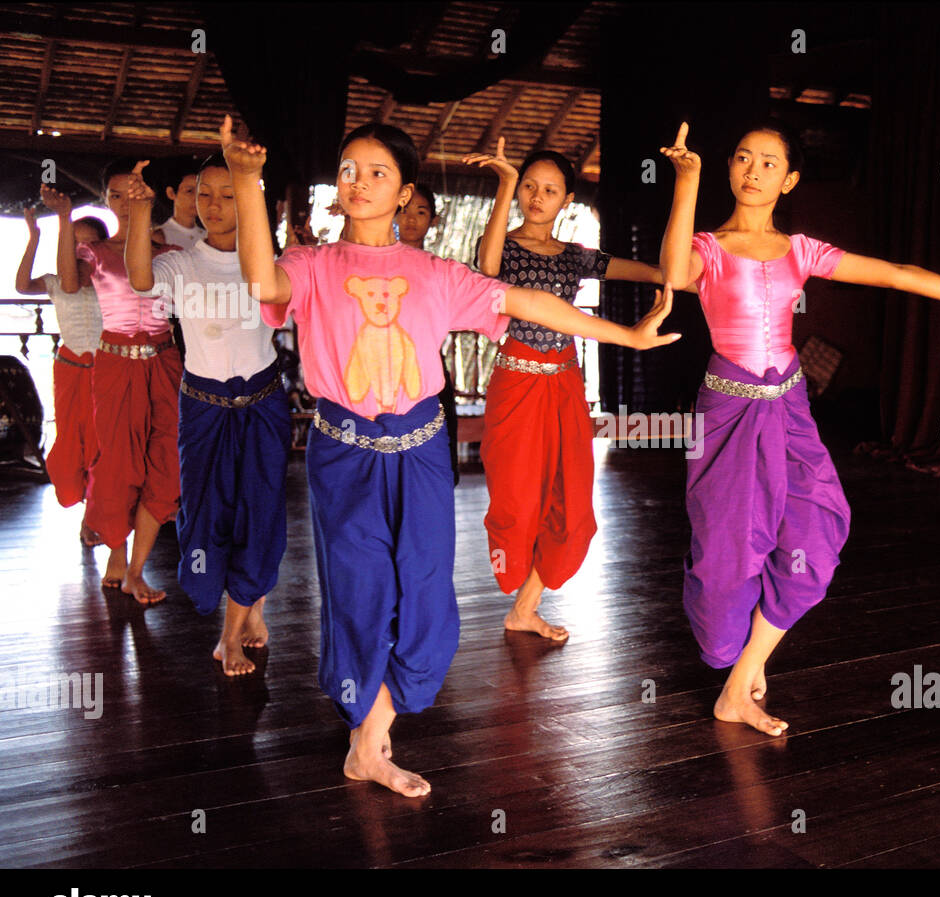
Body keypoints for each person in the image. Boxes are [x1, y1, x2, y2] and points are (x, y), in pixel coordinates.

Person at [222, 115, 677, 797]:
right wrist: (248, 182)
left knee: (429, 593)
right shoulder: (311, 265)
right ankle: (367, 741)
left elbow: (527, 301)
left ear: (405, 192)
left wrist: (624, 337)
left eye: (379, 173)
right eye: (349, 170)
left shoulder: (434, 273)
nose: (360, 183)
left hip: (422, 453)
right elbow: (262, 282)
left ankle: (374, 733)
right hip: (343, 455)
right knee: (361, 589)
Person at [659, 120, 940, 736]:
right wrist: (686, 180)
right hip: (727, 413)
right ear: (727, 167)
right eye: (743, 158)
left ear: (791, 180)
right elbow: (674, 276)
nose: (754, 171)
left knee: (817, 528)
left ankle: (741, 681)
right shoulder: (707, 245)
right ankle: (736, 673)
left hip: (788, 407)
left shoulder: (802, 250)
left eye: (770, 163)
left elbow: (895, 273)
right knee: (728, 556)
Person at [465, 136, 676, 640]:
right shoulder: (504, 245)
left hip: (564, 386)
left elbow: (649, 272)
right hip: (515, 383)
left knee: (573, 501)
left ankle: (526, 607)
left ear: (567, 201)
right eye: (530, 187)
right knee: (517, 499)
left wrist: (676, 281)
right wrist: (504, 185)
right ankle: (515, 586)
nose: (538, 196)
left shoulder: (576, 257)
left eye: (550, 190)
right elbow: (487, 268)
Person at [124, 154, 291, 676]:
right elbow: (137, 278)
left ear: (249, 200)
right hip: (204, 409)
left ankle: (233, 633)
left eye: (228, 194)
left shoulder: (272, 266)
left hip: (264, 406)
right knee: (208, 514)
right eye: (203, 195)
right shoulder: (179, 262)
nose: (214, 206)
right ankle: (242, 615)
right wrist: (137, 213)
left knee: (260, 513)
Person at [48, 159, 182, 605]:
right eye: (117, 195)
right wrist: (64, 219)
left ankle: (137, 570)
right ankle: (117, 556)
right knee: (118, 464)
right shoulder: (96, 253)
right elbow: (67, 284)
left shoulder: (171, 253)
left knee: (165, 464)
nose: (126, 203)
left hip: (165, 364)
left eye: (135, 192)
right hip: (115, 364)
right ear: (106, 200)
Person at [13, 204, 107, 545]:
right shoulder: (56, 283)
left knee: (101, 446)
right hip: (69, 369)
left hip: (105, 369)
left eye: (88, 244)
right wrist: (34, 237)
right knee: (72, 444)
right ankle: (84, 508)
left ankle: (94, 518)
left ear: (102, 248)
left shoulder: (109, 281)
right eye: (72, 243)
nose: (79, 251)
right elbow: (22, 285)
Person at [396, 182, 460, 484]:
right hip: (384, 374)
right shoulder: (374, 264)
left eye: (420, 212)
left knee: (436, 468)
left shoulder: (440, 270)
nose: (410, 219)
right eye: (404, 211)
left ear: (433, 220)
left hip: (429, 372)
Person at [155, 164, 206, 249]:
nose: (196, 197)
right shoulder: (160, 235)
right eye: (189, 191)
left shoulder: (207, 236)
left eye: (200, 191)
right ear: (171, 193)